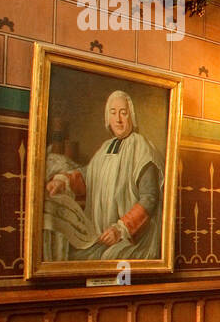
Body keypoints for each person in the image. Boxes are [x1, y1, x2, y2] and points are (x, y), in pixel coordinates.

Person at [46, 90, 164, 261]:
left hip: (133, 237)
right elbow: (89, 177)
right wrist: (63, 182)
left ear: (132, 116)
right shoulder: (105, 147)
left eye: (123, 113)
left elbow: (150, 198)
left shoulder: (142, 148)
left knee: (106, 258)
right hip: (102, 234)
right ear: (107, 118)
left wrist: (121, 228)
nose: (118, 119)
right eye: (113, 113)